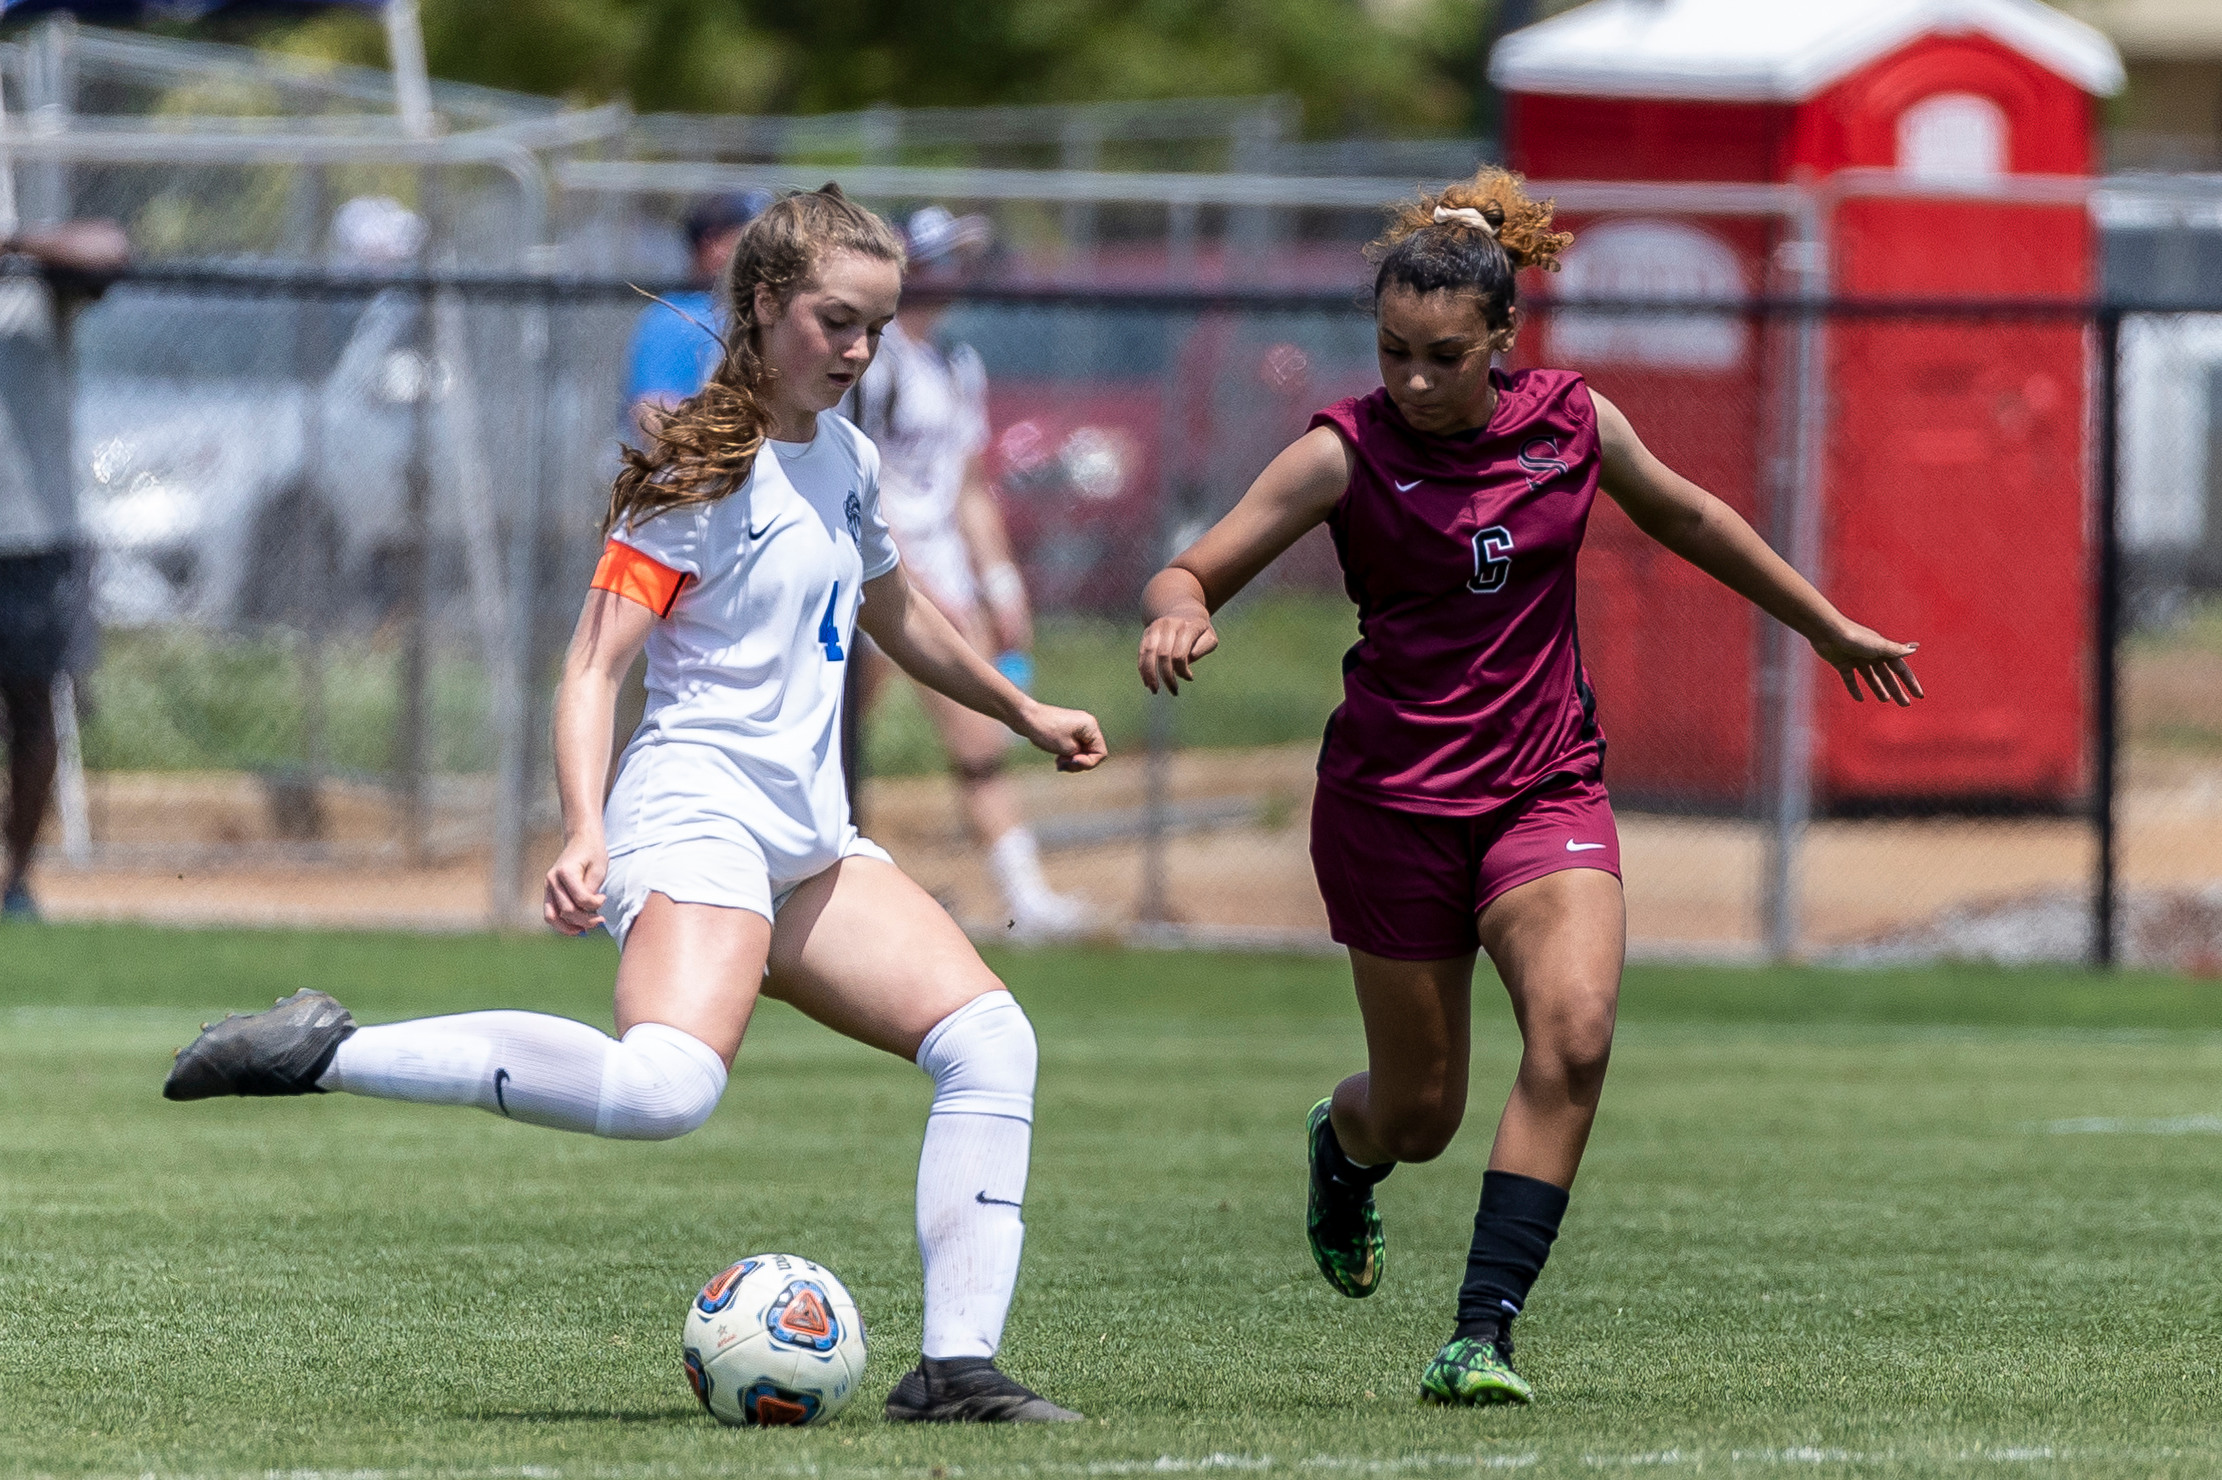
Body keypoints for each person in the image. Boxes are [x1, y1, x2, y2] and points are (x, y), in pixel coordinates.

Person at [161, 186, 1107, 1425]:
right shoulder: (691, 468)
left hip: (806, 841)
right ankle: (324, 1049)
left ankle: (956, 1369)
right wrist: (587, 827)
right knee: (666, 1089)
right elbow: (591, 667)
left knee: (990, 1042)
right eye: (836, 320)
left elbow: (897, 609)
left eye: (874, 326)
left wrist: (1019, 710)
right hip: (694, 818)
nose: (860, 348)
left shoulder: (848, 455)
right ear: (766, 308)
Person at [1134, 168, 1924, 1407]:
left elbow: (1695, 518)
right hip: (1391, 808)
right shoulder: (1341, 454)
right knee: (1417, 1113)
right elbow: (1191, 567)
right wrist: (1175, 618)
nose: (1410, 379)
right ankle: (1342, 1151)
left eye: (1442, 356)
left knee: (1574, 1033)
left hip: (1542, 788)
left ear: (1501, 340)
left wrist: (1823, 627)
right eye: (1392, 350)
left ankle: (1479, 1335)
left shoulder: (1572, 421)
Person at [850, 206, 1088, 940]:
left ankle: (1025, 900)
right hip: (878, 579)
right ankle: (825, 885)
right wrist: (909, 579)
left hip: (942, 577)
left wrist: (1000, 585)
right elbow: (862, 484)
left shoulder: (955, 362)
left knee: (979, 742)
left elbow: (971, 486)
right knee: (830, 739)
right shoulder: (871, 362)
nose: (951, 276)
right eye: (938, 260)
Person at [0, 218, 129, 921]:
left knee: (32, 711)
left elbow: (109, 251)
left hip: (32, 537)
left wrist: (14, 241)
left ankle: (14, 879)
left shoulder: (31, 288)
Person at [623, 189, 772, 439]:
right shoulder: (675, 317)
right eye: (753, 238)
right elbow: (650, 416)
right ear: (712, 244)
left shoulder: (761, 311)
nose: (768, 251)